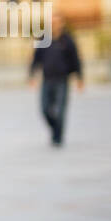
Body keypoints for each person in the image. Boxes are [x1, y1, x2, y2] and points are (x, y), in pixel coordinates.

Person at [28, 13, 84, 146]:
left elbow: (75, 59)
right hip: (47, 80)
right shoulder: (43, 39)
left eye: (56, 22)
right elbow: (36, 58)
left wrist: (79, 78)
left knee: (60, 110)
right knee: (44, 109)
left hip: (62, 80)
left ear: (62, 24)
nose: (54, 25)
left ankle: (57, 138)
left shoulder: (68, 40)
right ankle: (55, 129)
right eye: (52, 22)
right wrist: (32, 75)